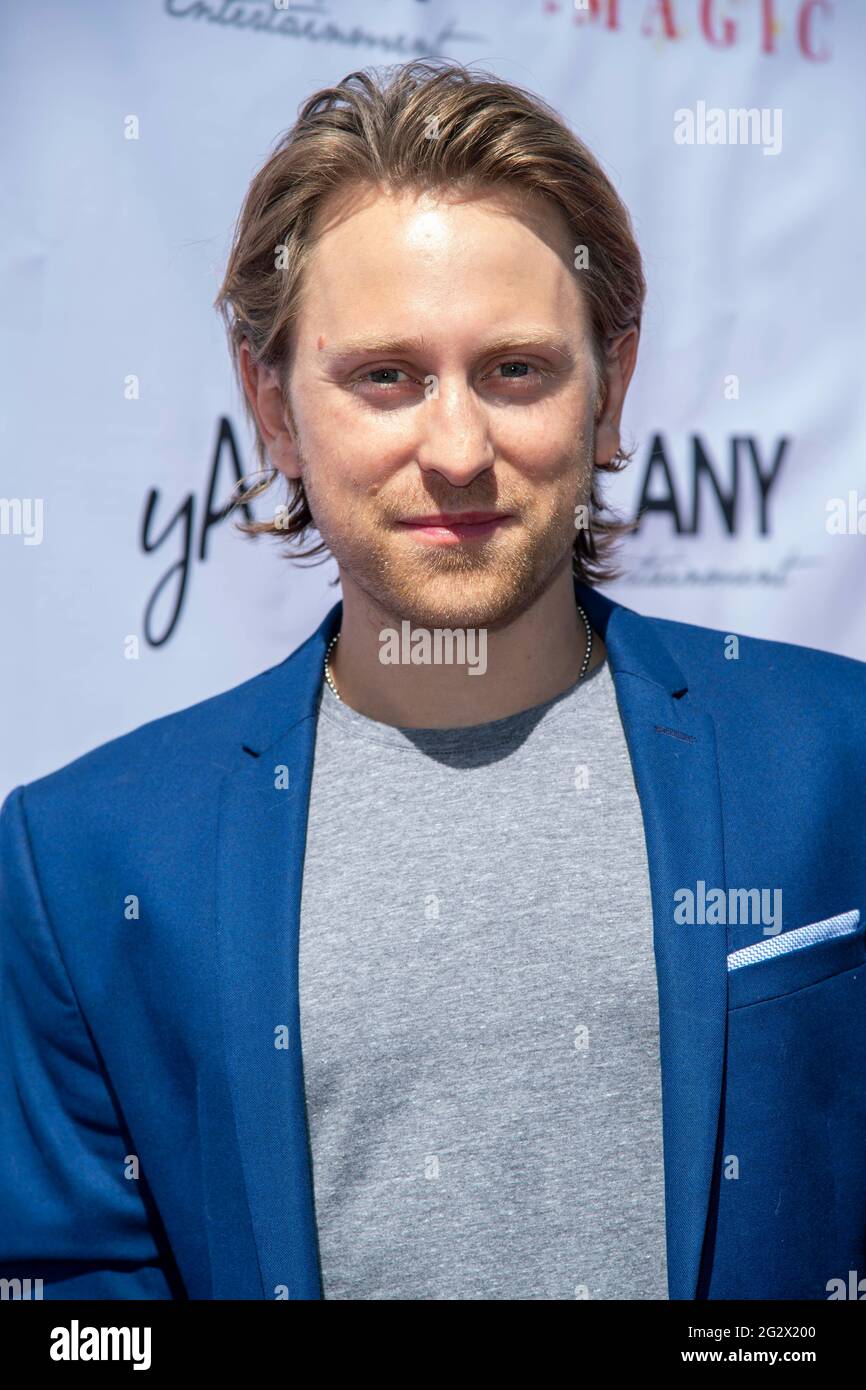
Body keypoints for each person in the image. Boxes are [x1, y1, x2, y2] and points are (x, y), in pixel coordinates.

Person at [2, 58, 865, 1303]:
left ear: (611, 391)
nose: (455, 448)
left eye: (514, 370)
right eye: (385, 377)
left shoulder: (835, 758)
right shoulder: (86, 861)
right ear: (274, 406)